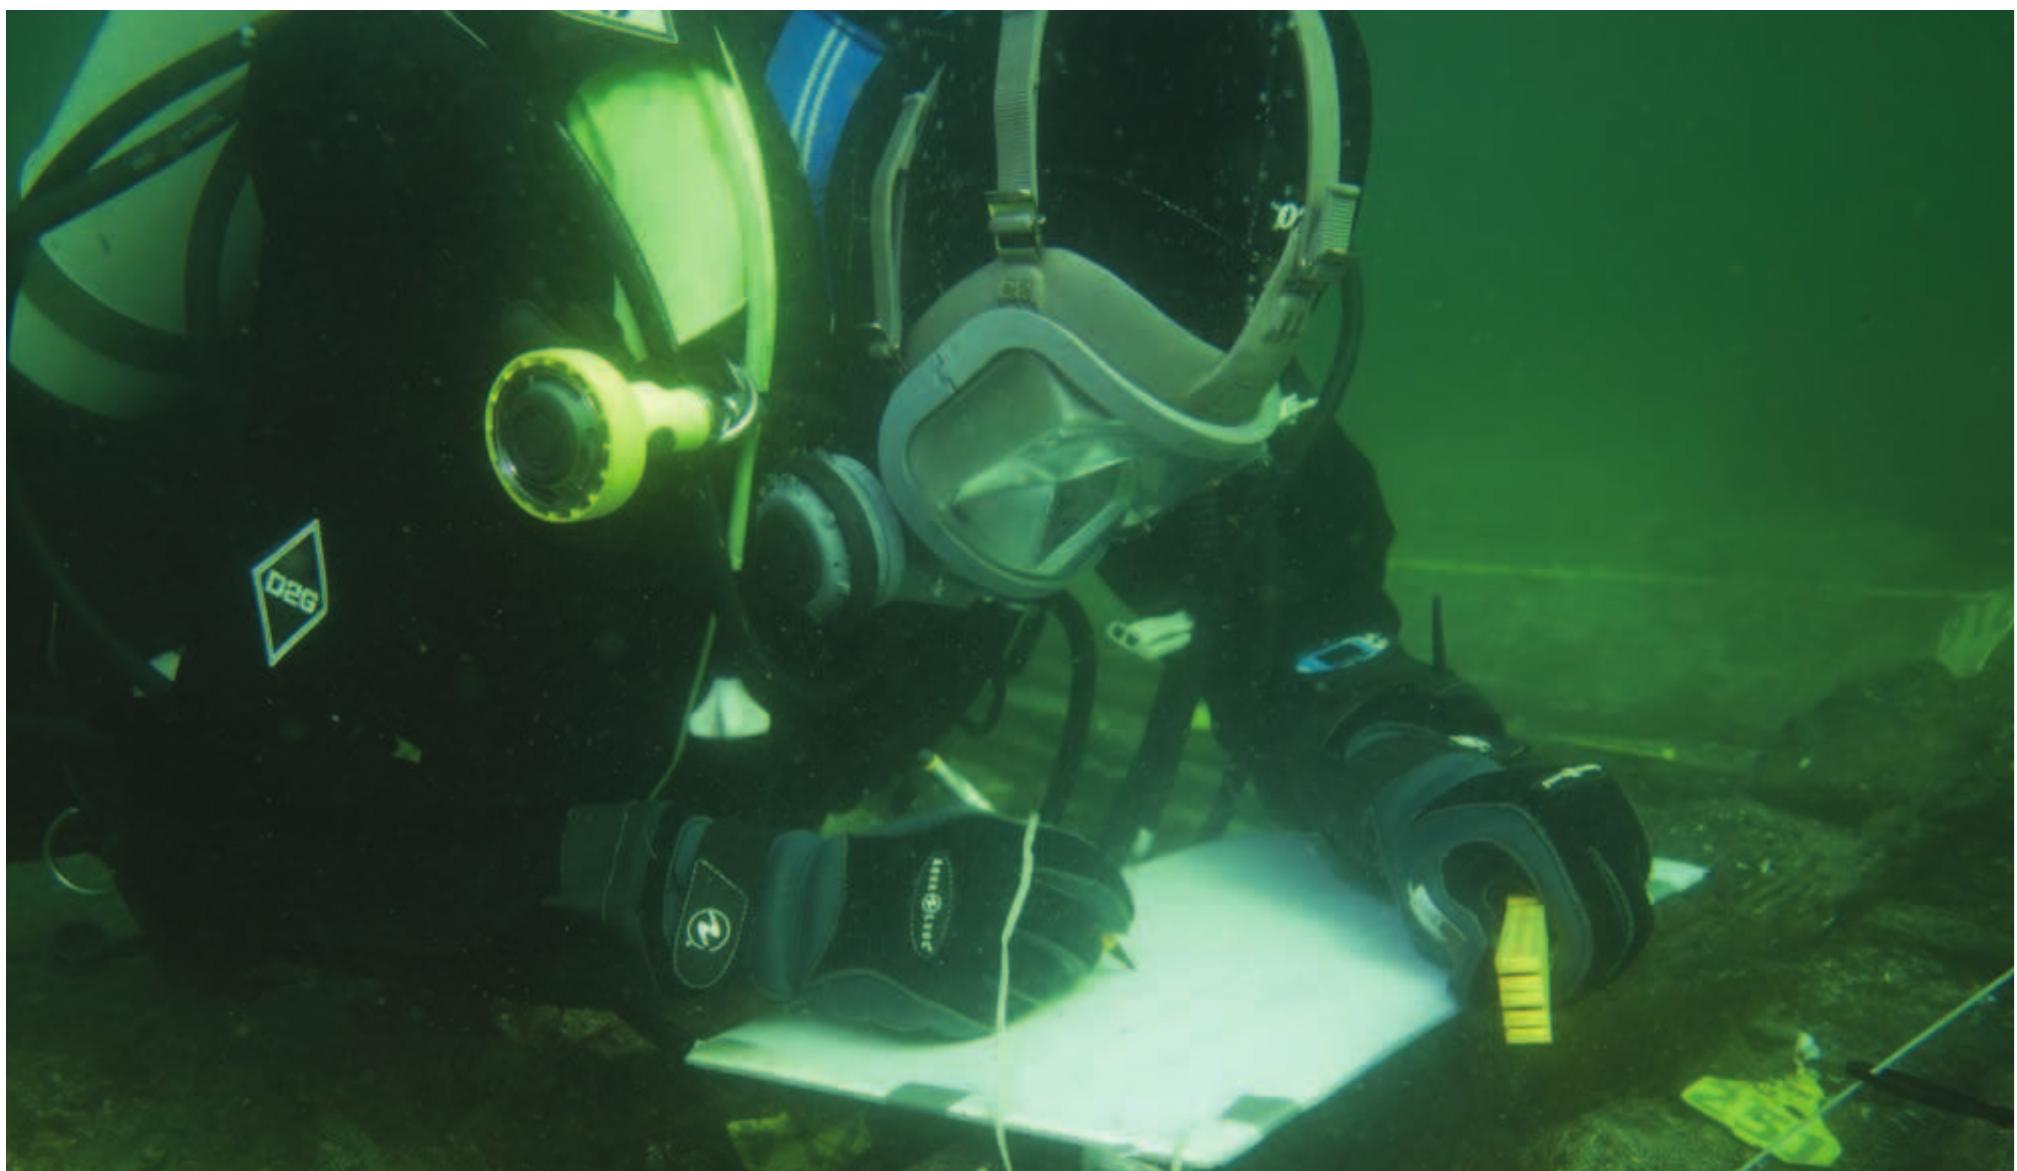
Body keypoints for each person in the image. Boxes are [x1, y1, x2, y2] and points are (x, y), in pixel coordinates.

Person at [9, 11, 1653, 1045]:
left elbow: (1260, 526)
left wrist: (1405, 757)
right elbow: (194, 816)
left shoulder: (1099, 339)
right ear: (903, 242)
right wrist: (729, 903)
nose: (1057, 532)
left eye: (1134, 471)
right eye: (1032, 441)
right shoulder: (518, 266)